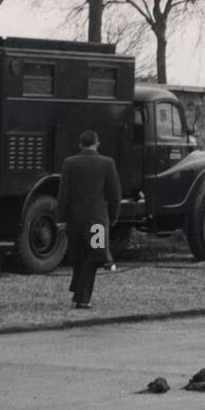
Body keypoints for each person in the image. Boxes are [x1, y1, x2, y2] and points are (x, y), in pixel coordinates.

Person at [57, 129, 122, 309]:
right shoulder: (107, 163)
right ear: (97, 143)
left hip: (74, 220)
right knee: (94, 256)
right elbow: (115, 195)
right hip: (97, 221)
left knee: (78, 255)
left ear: (80, 144)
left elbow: (63, 193)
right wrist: (114, 216)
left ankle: (76, 290)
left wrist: (60, 218)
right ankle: (83, 298)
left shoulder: (69, 163)